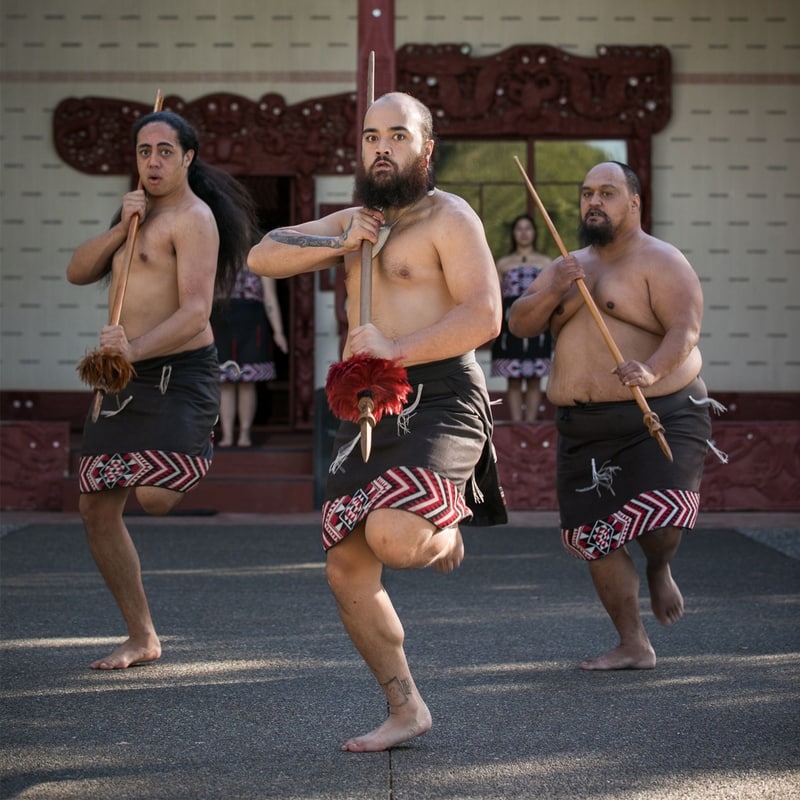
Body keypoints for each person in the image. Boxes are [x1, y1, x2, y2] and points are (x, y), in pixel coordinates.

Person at [248, 91, 507, 751]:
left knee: (394, 538)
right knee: (347, 568)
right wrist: (337, 241)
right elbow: (264, 255)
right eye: (370, 137)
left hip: (440, 390)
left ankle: (443, 532)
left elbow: (484, 316)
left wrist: (395, 350)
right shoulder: (359, 219)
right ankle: (405, 706)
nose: (381, 147)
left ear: (426, 148)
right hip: (363, 397)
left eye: (397, 134)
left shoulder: (451, 217)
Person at [508, 161, 722, 671]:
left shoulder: (662, 260)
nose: (593, 202)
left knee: (662, 516)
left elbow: (685, 330)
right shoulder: (566, 263)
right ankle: (633, 643)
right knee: (594, 537)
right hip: (583, 426)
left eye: (606, 192)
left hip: (660, 410)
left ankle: (660, 565)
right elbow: (518, 323)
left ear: (634, 202)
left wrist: (649, 370)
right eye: (586, 194)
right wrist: (555, 285)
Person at [66, 110, 257, 670]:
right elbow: (78, 272)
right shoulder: (133, 214)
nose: (153, 160)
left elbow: (197, 313)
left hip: (178, 370)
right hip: (122, 373)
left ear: (188, 159)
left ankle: (198, 440)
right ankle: (141, 635)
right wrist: (119, 229)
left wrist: (133, 349)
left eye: (165, 151)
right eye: (145, 150)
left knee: (155, 496)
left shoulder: (194, 219)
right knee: (94, 508)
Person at [211, 268, 288, 447]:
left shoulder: (259, 259)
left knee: (248, 381)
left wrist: (278, 331)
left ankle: (244, 433)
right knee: (224, 382)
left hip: (252, 322)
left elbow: (270, 297)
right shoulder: (218, 254)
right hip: (221, 321)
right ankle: (228, 435)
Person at [491, 213, 553, 421]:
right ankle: (517, 425)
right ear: (514, 234)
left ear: (534, 233)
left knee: (535, 378)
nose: (524, 233)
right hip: (510, 324)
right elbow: (496, 297)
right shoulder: (503, 263)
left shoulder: (546, 262)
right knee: (514, 377)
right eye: (520, 228)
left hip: (538, 321)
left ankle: (531, 424)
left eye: (528, 228)